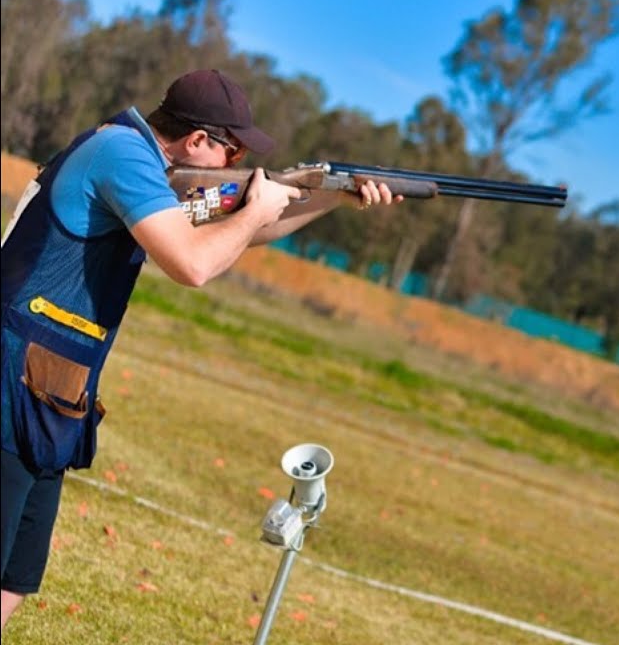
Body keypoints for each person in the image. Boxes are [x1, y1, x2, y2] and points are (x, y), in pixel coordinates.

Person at [0, 69, 400, 627]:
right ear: (196, 142)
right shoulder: (126, 159)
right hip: (13, 381)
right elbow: (194, 262)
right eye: (231, 151)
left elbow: (240, 228)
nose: (233, 167)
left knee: (13, 579)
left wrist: (331, 197)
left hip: (44, 389)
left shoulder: (139, 161)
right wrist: (256, 208)